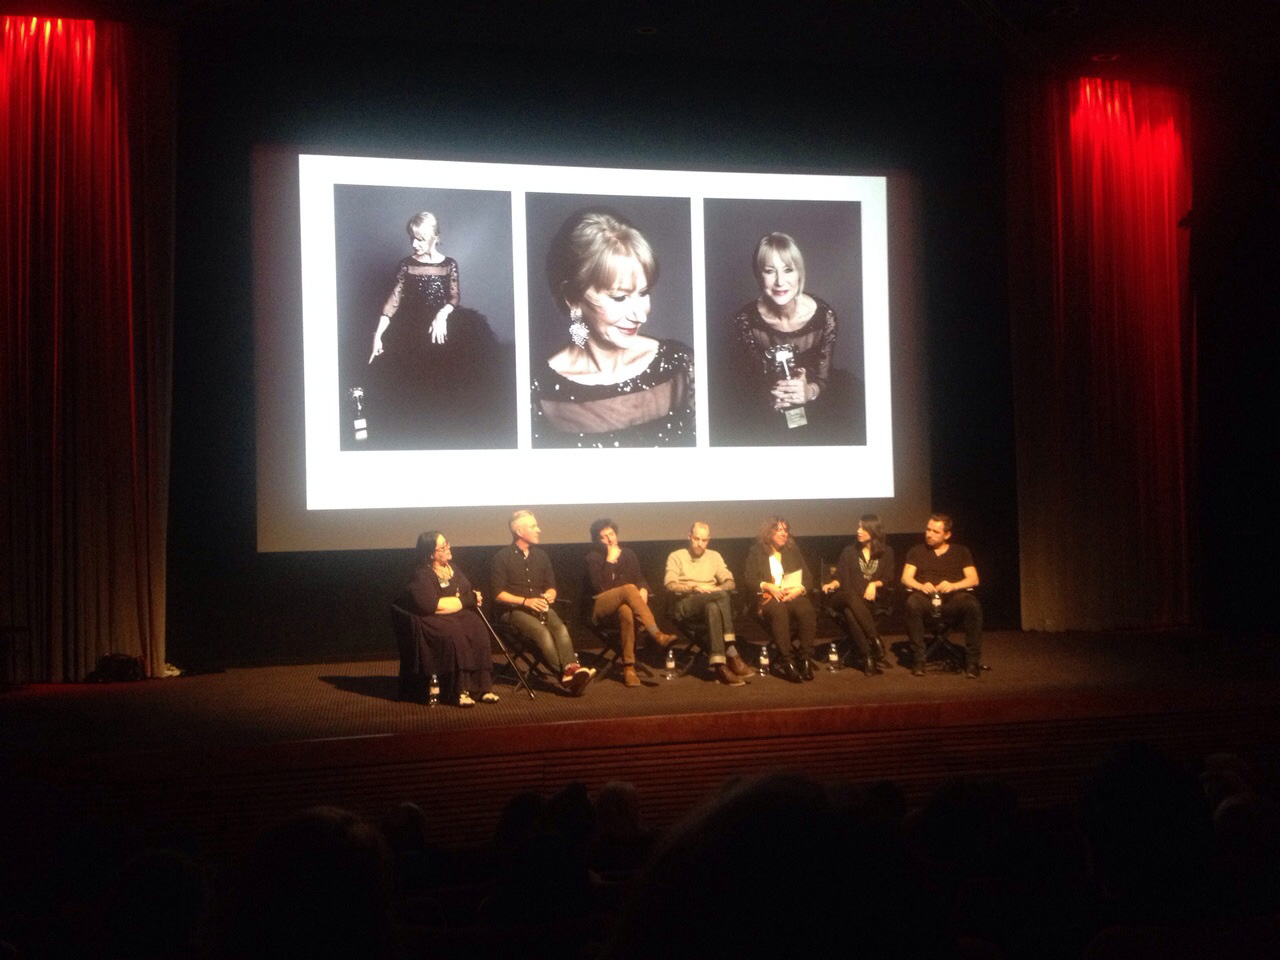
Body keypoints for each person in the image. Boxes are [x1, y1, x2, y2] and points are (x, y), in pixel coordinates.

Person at [531, 209, 695, 447]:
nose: (640, 315)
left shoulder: (680, 365)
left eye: (643, 293)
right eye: (620, 297)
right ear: (572, 297)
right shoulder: (538, 391)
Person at [366, 212, 498, 446]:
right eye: (411, 238)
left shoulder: (449, 265)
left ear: (435, 238)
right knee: (410, 391)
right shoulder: (406, 265)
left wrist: (442, 313)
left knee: (452, 384)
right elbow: (392, 303)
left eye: (419, 239)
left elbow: (454, 297)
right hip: (410, 329)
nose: (414, 244)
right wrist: (378, 335)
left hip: (444, 324)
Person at [722, 231, 847, 444]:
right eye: (770, 271)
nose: (780, 281)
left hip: (818, 401)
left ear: (799, 273)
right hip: (768, 408)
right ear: (758, 275)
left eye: (788, 270)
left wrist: (809, 392)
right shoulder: (745, 320)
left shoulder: (825, 316)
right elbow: (750, 381)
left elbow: (824, 379)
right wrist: (771, 396)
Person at [491, 510, 595, 695]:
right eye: (533, 526)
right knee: (542, 633)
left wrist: (550, 595)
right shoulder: (502, 557)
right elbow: (498, 594)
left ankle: (571, 670)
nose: (538, 530)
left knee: (561, 630)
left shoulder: (541, 556)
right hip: (513, 611)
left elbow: (551, 587)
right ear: (519, 531)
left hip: (540, 607)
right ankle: (566, 675)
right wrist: (526, 602)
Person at [404, 531, 498, 706]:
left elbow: (465, 590)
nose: (448, 548)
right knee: (455, 635)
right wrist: (464, 600)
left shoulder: (452, 568)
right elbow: (432, 605)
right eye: (443, 547)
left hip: (456, 614)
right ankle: (460, 691)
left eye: (447, 544)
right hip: (432, 619)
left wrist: (472, 597)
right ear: (431, 553)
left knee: (477, 628)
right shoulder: (421, 575)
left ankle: (483, 688)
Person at [585, 519, 677, 688]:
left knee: (626, 610)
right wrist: (609, 562)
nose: (610, 539)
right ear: (597, 541)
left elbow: (639, 579)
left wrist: (643, 589)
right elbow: (600, 587)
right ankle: (656, 634)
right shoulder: (593, 558)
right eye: (604, 537)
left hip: (621, 609)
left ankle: (629, 668)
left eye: (611, 534)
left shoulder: (628, 554)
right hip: (600, 606)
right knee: (628, 589)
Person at [664, 521, 752, 685]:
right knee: (720, 596)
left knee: (713, 605)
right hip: (685, 603)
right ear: (689, 537)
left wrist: (713, 590)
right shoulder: (676, 556)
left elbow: (730, 582)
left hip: (710, 601)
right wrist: (695, 587)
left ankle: (720, 668)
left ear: (708, 540)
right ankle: (731, 651)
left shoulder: (714, 556)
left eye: (704, 540)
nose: (700, 543)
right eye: (696, 539)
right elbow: (670, 584)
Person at [900, 513, 983, 677]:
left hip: (952, 599)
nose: (929, 534)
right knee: (912, 603)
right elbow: (905, 578)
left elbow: (974, 579)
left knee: (972, 605)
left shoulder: (961, 551)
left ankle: (972, 662)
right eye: (928, 529)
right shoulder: (917, 551)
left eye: (935, 532)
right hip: (926, 598)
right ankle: (919, 660)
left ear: (947, 535)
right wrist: (920, 585)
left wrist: (954, 586)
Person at [742, 516, 818, 683]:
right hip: (767, 599)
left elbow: (808, 579)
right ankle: (788, 661)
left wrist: (799, 590)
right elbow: (748, 580)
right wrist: (768, 586)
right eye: (779, 530)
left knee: (806, 610)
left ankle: (805, 659)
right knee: (779, 611)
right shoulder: (756, 551)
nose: (784, 534)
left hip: (791, 595)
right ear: (769, 532)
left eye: (785, 530)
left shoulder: (792, 550)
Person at [822, 514, 895, 675]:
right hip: (842, 598)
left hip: (866, 603)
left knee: (850, 613)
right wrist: (832, 584)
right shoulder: (849, 551)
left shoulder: (886, 552)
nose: (858, 531)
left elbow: (888, 579)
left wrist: (874, 584)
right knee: (850, 600)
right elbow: (839, 577)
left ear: (873, 531)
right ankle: (875, 639)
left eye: (863, 528)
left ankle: (867, 657)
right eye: (858, 527)